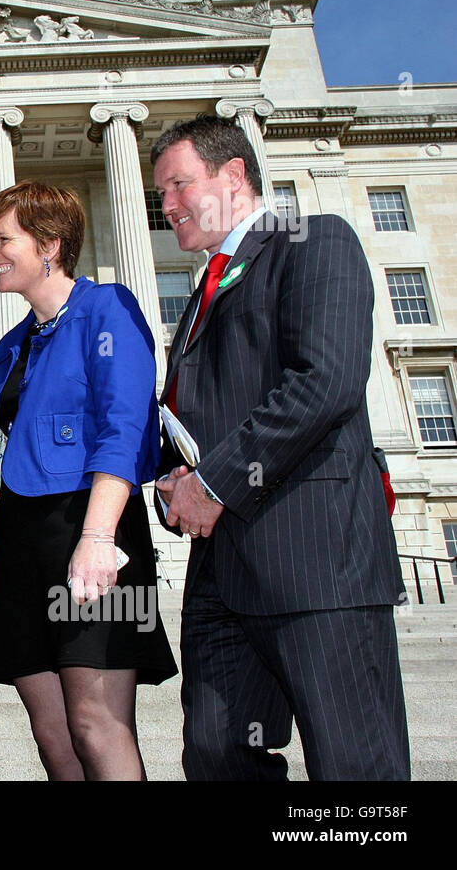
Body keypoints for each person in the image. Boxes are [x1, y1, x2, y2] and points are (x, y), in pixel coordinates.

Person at [151, 114, 409, 780]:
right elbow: (194, 416)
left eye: (179, 186)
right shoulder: (202, 293)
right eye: (160, 195)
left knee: (354, 764)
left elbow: (326, 381)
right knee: (214, 749)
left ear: (234, 176)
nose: (167, 206)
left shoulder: (313, 241)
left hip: (315, 556)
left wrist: (214, 483)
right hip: (222, 572)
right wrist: (173, 479)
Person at [0, 180, 177, 781]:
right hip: (22, 544)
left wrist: (98, 537)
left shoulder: (107, 308)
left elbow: (127, 423)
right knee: (53, 734)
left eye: (4, 239)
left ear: (50, 245)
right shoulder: (10, 347)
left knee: (95, 723)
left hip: (89, 527)